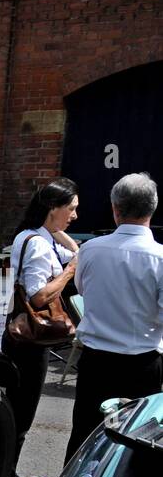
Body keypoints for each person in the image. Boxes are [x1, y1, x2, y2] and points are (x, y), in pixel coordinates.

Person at [65, 172, 163, 460]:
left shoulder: (91, 250)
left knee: (84, 439)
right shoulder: (160, 257)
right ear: (152, 208)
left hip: (97, 360)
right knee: (138, 446)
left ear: (115, 209)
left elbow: (82, 290)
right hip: (143, 361)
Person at [3, 177, 80, 477]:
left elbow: (77, 251)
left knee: (15, 408)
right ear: (53, 208)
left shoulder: (33, 236)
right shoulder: (36, 242)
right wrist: (68, 274)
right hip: (30, 339)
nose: (74, 216)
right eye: (71, 209)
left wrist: (54, 229)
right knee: (21, 413)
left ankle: (4, 472)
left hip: (21, 335)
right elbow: (36, 296)